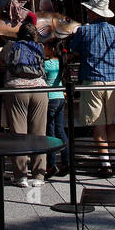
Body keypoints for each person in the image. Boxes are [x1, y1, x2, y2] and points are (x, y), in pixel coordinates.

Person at [68, 0, 115, 175]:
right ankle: (114, 159)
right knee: (110, 122)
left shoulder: (84, 31)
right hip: (113, 79)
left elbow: (74, 49)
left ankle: (105, 164)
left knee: (98, 125)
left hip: (93, 79)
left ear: (92, 12)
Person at [3, 21, 49, 188]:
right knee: (39, 133)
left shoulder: (11, 46)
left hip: (16, 91)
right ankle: (38, 175)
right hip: (40, 90)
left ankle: (21, 175)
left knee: (19, 133)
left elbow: (2, 60)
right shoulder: (40, 47)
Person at [43, 42, 68, 178]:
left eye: (46, 47)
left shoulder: (47, 64)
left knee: (50, 133)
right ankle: (66, 161)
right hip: (60, 98)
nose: (45, 49)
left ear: (52, 49)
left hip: (51, 98)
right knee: (60, 130)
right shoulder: (61, 63)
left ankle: (51, 165)